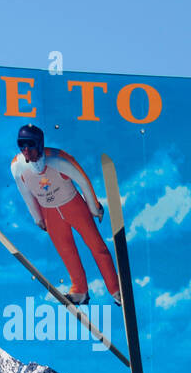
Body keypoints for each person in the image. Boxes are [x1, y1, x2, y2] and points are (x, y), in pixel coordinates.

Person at [10, 124, 121, 306]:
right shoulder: (17, 167)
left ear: (39, 144)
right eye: (21, 146)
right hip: (50, 213)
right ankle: (80, 290)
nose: (26, 151)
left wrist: (94, 208)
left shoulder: (59, 160)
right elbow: (26, 194)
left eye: (30, 145)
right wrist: (38, 218)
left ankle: (116, 289)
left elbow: (83, 182)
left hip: (74, 206)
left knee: (96, 247)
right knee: (66, 252)